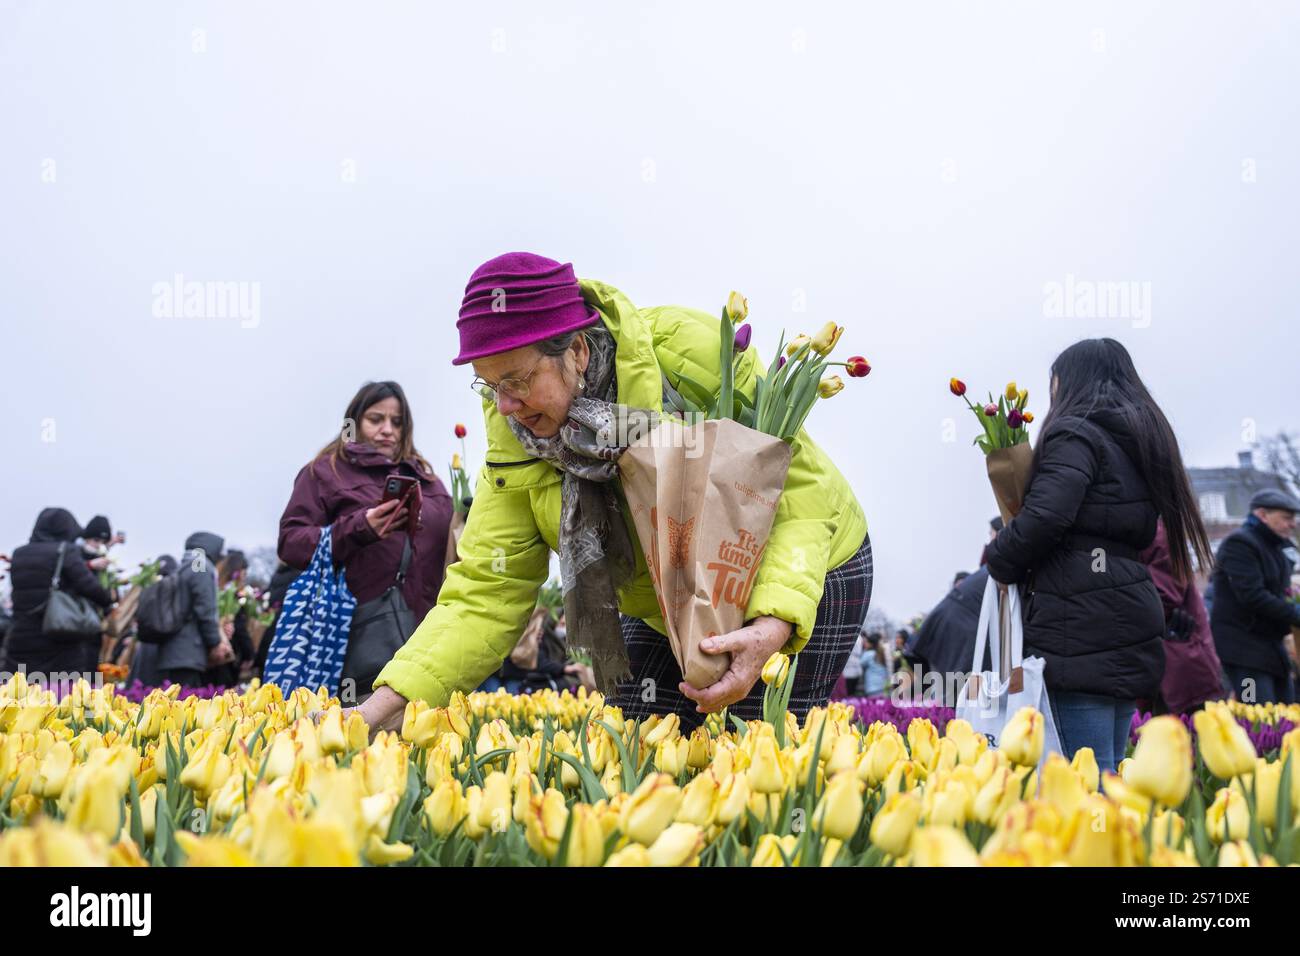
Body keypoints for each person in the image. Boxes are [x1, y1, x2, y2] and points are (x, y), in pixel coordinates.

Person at [353, 252, 872, 734]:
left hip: (806, 567)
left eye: (516, 380)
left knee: (749, 746)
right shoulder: (519, 446)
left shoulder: (687, 355)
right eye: (489, 386)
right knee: (637, 736)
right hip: (669, 598)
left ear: (577, 350)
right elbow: (487, 591)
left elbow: (799, 495)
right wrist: (376, 711)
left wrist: (773, 622)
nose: (506, 406)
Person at [984, 339, 1213, 773]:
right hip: (1128, 607)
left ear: (1069, 382)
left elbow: (1047, 516)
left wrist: (1000, 560)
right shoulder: (1141, 439)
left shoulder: (1075, 431)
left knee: (1081, 776)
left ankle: (1096, 841)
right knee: (1106, 767)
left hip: (1079, 617)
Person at [278, 381, 453, 696]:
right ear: (354, 422)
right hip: (353, 637)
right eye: (376, 419)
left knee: (426, 738)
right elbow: (290, 541)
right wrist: (360, 528)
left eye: (396, 422)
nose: (387, 430)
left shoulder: (428, 481)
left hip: (426, 637)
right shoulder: (326, 472)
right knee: (356, 733)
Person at [2, 508, 115, 682]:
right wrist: (109, 596)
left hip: (21, 636)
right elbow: (91, 589)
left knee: (19, 693)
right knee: (61, 697)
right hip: (58, 636)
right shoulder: (65, 551)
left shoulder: (19, 554)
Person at [1209, 488, 1300, 704]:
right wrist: (1295, 613)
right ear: (1262, 515)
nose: (1293, 524)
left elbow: (1282, 591)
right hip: (1245, 654)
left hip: (1271, 648)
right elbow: (1253, 596)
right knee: (1255, 713)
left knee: (1287, 715)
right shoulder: (1239, 544)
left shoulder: (1279, 546)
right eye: (1286, 518)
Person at [1140, 520, 1226, 715]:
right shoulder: (1155, 531)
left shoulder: (1155, 534)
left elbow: (1163, 598)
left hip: (1177, 656)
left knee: (1176, 735)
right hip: (1177, 656)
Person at [156, 532, 232, 689]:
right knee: (184, 704)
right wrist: (215, 642)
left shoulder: (184, 565)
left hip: (174, 648)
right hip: (187, 650)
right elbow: (205, 609)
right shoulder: (200, 565)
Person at [861, 633, 891, 697]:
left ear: (871, 644)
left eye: (867, 642)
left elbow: (861, 663)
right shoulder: (882, 652)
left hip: (872, 687)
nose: (865, 644)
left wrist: (865, 650)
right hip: (883, 686)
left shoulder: (868, 654)